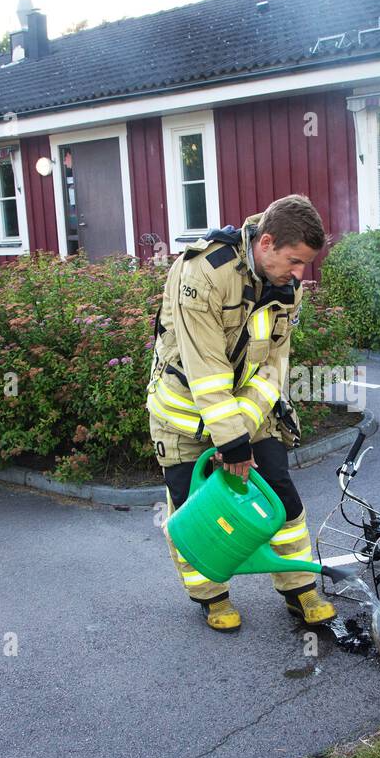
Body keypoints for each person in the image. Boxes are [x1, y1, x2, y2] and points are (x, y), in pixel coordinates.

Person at [146, 194, 335, 632]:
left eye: (305, 264)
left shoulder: (286, 282)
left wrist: (244, 429)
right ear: (265, 242)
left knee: (283, 501)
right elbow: (205, 368)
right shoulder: (202, 273)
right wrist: (230, 443)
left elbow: (274, 365)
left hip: (248, 412)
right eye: (294, 261)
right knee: (195, 513)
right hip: (184, 414)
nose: (300, 273)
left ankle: (299, 588)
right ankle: (211, 595)